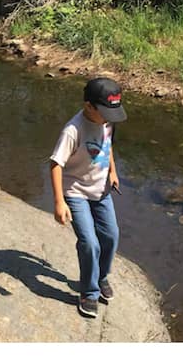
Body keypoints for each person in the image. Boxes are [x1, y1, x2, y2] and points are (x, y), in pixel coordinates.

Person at [50, 76, 126, 320]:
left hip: (101, 189)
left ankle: (101, 276)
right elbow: (55, 164)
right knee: (90, 242)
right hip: (75, 191)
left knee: (111, 234)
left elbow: (108, 144)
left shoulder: (107, 121)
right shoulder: (73, 130)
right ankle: (89, 292)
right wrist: (59, 201)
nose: (108, 119)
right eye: (104, 112)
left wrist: (113, 171)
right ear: (88, 106)